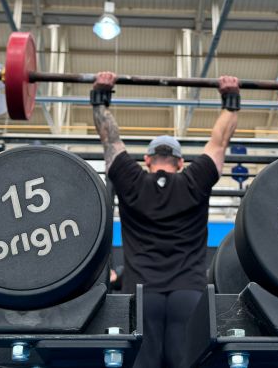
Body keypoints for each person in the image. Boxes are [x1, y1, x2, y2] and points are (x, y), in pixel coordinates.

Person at [91, 72, 240, 368]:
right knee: (186, 362)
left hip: (141, 292)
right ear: (180, 162)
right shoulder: (194, 180)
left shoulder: (132, 180)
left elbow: (109, 137)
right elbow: (220, 142)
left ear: (147, 160)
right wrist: (230, 99)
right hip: (188, 291)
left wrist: (100, 95)